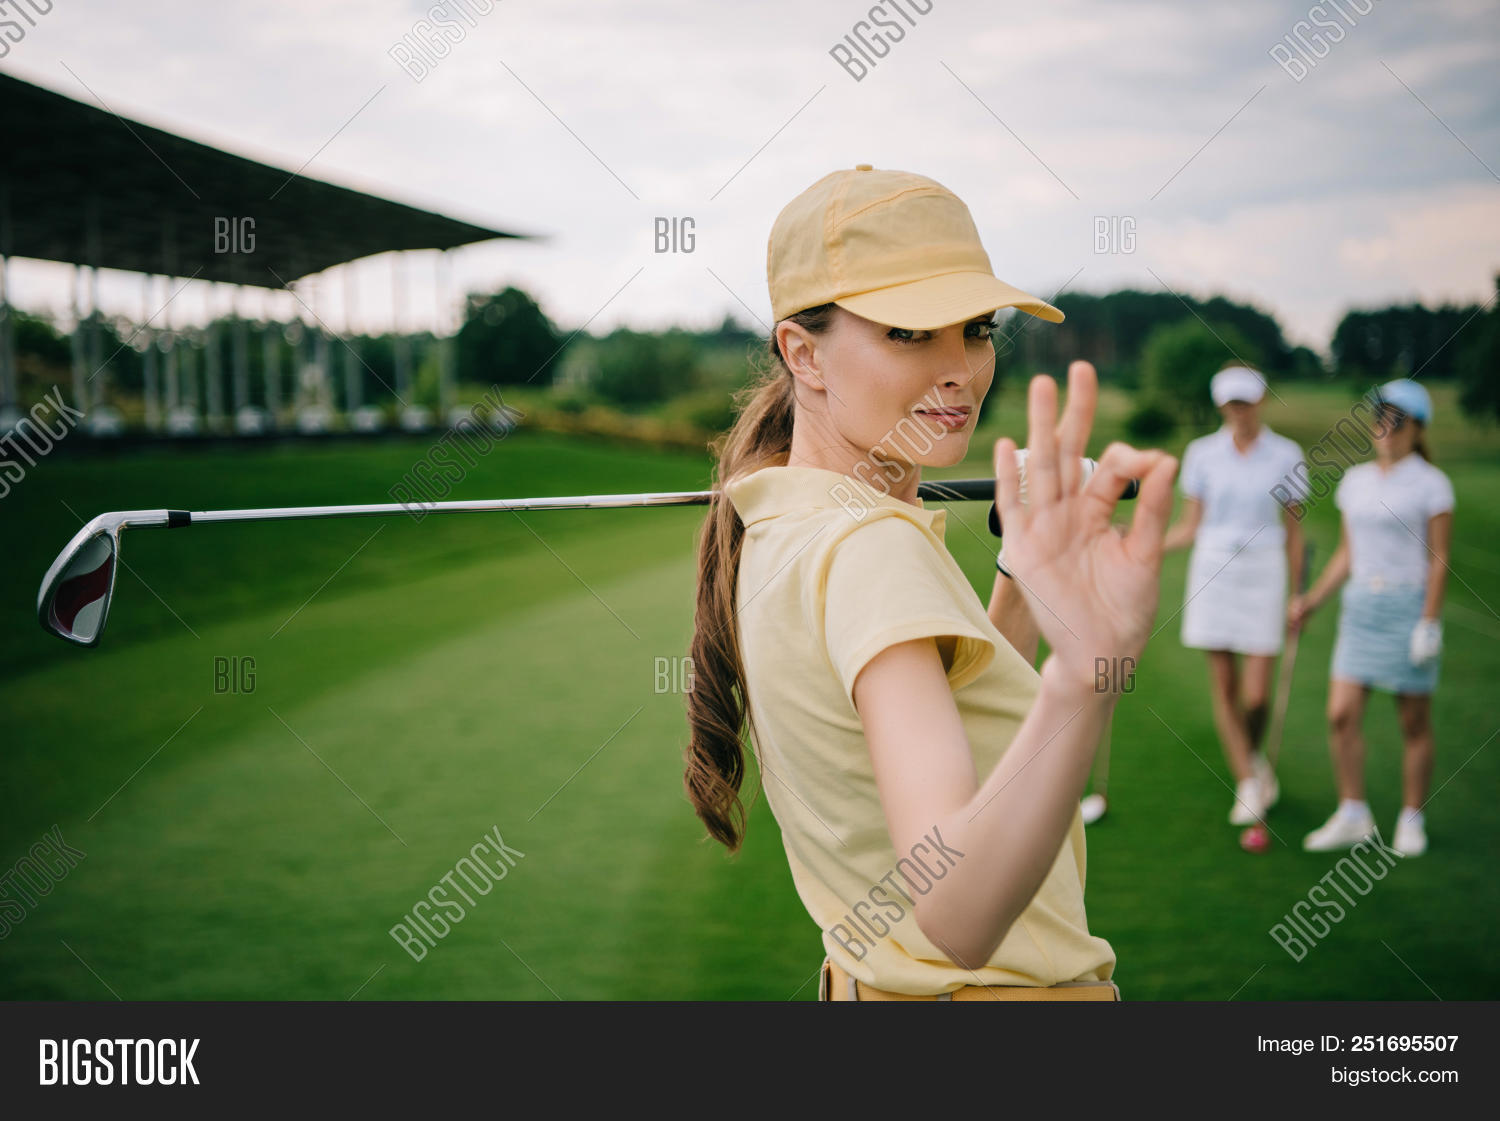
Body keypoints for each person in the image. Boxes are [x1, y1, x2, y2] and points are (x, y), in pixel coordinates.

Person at [683, 164, 1177, 1000]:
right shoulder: (871, 545)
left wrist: (1018, 578)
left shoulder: (782, 518)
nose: (960, 370)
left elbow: (953, 734)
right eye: (909, 335)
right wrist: (1085, 670)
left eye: (974, 329)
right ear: (803, 354)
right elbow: (956, 909)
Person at [1290, 379, 1453, 857]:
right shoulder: (1356, 480)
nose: (1385, 426)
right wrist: (1313, 600)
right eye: (1380, 416)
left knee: (1413, 721)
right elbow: (1347, 553)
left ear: (1418, 427)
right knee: (1340, 714)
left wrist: (1429, 622)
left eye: (1397, 419)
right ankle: (1353, 813)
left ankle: (1411, 817)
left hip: (1407, 608)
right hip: (1361, 608)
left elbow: (1438, 558)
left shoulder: (1432, 484)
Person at [1163, 366, 1307, 826]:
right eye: (1231, 403)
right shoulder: (1201, 453)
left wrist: (1298, 592)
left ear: (1261, 400)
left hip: (1264, 569)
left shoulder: (1286, 454)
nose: (1239, 410)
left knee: (1257, 696)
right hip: (1213, 569)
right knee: (1224, 687)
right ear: (1221, 405)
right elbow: (1190, 526)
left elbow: (1294, 530)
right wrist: (1143, 543)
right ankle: (1247, 777)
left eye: (1246, 401)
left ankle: (1252, 757)